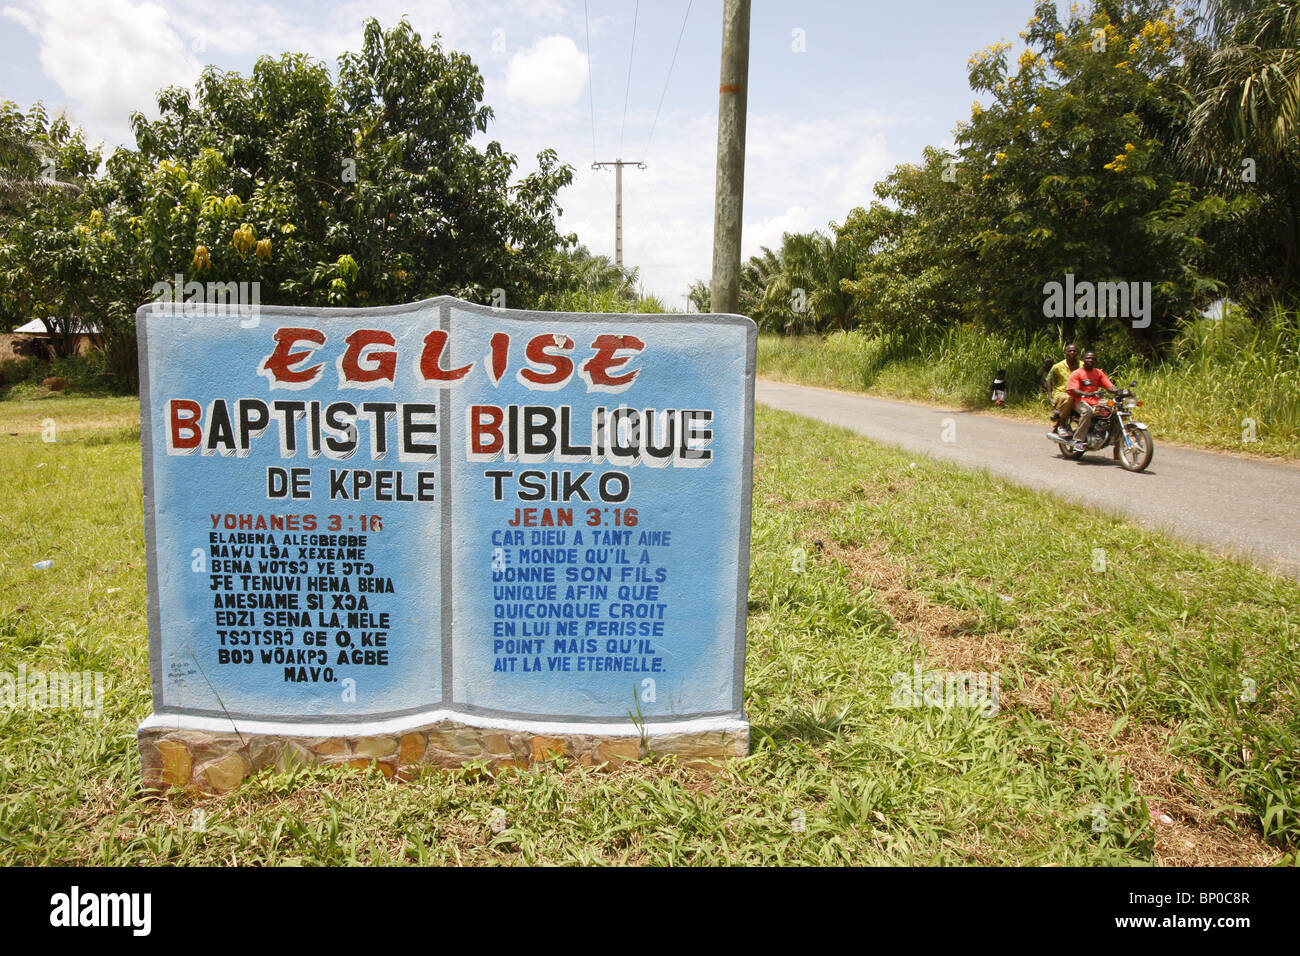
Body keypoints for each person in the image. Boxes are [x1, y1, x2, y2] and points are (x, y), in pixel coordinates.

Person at [1066, 350, 1116, 452]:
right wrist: (1086, 393)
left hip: (1095, 400)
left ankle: (1114, 438)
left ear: (1095, 360)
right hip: (1079, 400)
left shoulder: (1098, 372)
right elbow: (1073, 390)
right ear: (1083, 360)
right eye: (1088, 358)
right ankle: (1078, 441)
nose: (1090, 360)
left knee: (1114, 409)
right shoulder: (1077, 373)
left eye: (1093, 358)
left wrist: (1120, 391)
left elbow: (1109, 386)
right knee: (1087, 412)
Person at [1047, 344, 1080, 437]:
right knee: (1069, 399)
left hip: (1079, 392)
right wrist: (1050, 396)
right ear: (1065, 353)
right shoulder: (1057, 366)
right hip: (1062, 393)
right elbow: (1048, 379)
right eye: (1070, 351)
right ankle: (1061, 425)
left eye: (1074, 351)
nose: (1072, 353)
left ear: (1078, 353)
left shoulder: (1082, 365)